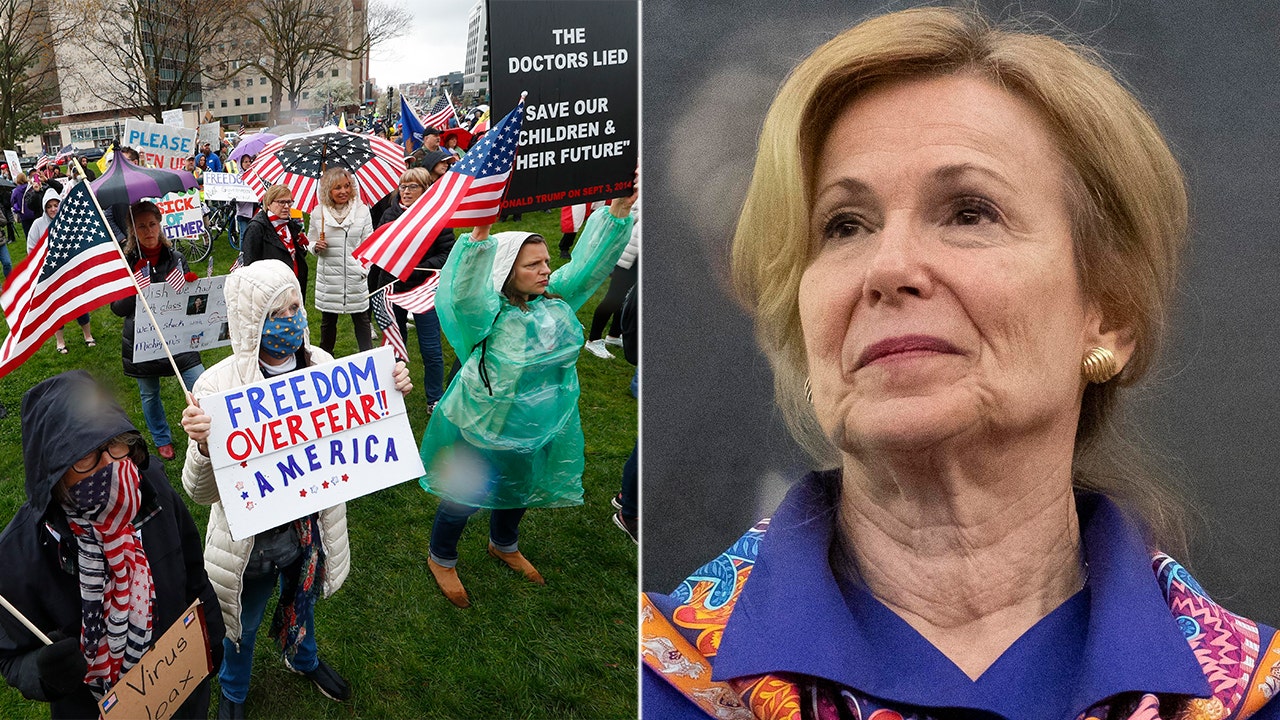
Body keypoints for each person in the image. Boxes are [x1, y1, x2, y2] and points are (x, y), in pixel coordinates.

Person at [642, 8, 1280, 720]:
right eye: (843, 226)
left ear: (1110, 312)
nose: (888, 268)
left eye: (969, 212)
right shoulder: (659, 683)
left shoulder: (1250, 697)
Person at [179, 259, 412, 719]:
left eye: (295, 307)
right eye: (276, 313)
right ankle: (234, 690)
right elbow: (199, 492)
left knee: (302, 599)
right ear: (251, 321)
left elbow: (354, 430)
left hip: (308, 531)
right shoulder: (215, 386)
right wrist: (204, 448)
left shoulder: (322, 365)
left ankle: (303, 657)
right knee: (241, 623)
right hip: (250, 544)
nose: (292, 319)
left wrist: (390, 389)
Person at [419, 190, 637, 608]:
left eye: (546, 262)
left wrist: (618, 213)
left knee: (520, 486)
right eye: (533, 265)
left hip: (538, 422)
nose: (546, 270)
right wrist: (479, 238)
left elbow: (587, 268)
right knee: (464, 494)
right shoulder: (487, 314)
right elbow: (463, 296)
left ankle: (504, 543)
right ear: (506, 271)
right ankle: (441, 557)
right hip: (485, 423)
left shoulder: (553, 300)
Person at [0, 371, 225, 719]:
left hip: (180, 687)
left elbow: (193, 571)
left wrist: (211, 635)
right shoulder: (20, 553)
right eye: (84, 457)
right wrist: (43, 672)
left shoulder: (150, 488)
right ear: (53, 470)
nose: (110, 466)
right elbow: (11, 655)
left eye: (116, 444)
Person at [109, 200, 205, 461]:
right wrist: (135, 289)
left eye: (152, 224)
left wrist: (190, 287)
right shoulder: (125, 263)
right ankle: (162, 437)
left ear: (160, 225)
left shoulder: (176, 258)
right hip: (143, 339)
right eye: (141, 226)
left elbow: (189, 304)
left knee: (200, 383)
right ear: (133, 231)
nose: (149, 231)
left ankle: (206, 427)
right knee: (149, 394)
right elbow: (117, 308)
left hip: (178, 335)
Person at [372, 163, 455, 412]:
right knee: (394, 346)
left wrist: (419, 267)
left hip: (424, 290)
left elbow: (447, 253)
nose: (405, 191)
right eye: (402, 186)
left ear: (425, 189)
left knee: (431, 348)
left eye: (412, 186)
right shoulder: (390, 214)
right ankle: (394, 397)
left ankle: (434, 398)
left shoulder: (437, 217)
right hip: (393, 288)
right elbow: (379, 247)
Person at [310, 167, 373, 354]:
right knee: (328, 324)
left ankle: (369, 358)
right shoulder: (318, 213)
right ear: (328, 190)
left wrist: (362, 270)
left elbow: (369, 244)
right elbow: (310, 240)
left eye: (347, 186)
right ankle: (326, 361)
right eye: (337, 187)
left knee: (362, 322)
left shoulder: (362, 211)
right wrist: (315, 246)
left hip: (356, 277)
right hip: (329, 278)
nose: (344, 191)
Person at [28, 189, 95, 354]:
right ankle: (60, 341)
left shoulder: (68, 220)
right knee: (56, 308)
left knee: (79, 303)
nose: (53, 209)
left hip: (70, 271)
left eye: (55, 205)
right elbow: (31, 249)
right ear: (44, 208)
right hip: (50, 274)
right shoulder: (37, 225)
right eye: (49, 206)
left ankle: (88, 335)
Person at [583, 199, 639, 359]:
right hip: (629, 257)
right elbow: (627, 216)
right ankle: (593, 340)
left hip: (640, 258)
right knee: (614, 298)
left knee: (628, 298)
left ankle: (614, 335)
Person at [240, 184, 309, 301]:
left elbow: (292, 255)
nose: (286, 206)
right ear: (269, 204)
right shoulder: (256, 227)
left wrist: (301, 248)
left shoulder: (289, 225)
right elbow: (250, 266)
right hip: (271, 291)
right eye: (281, 202)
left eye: (289, 202)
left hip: (294, 286)